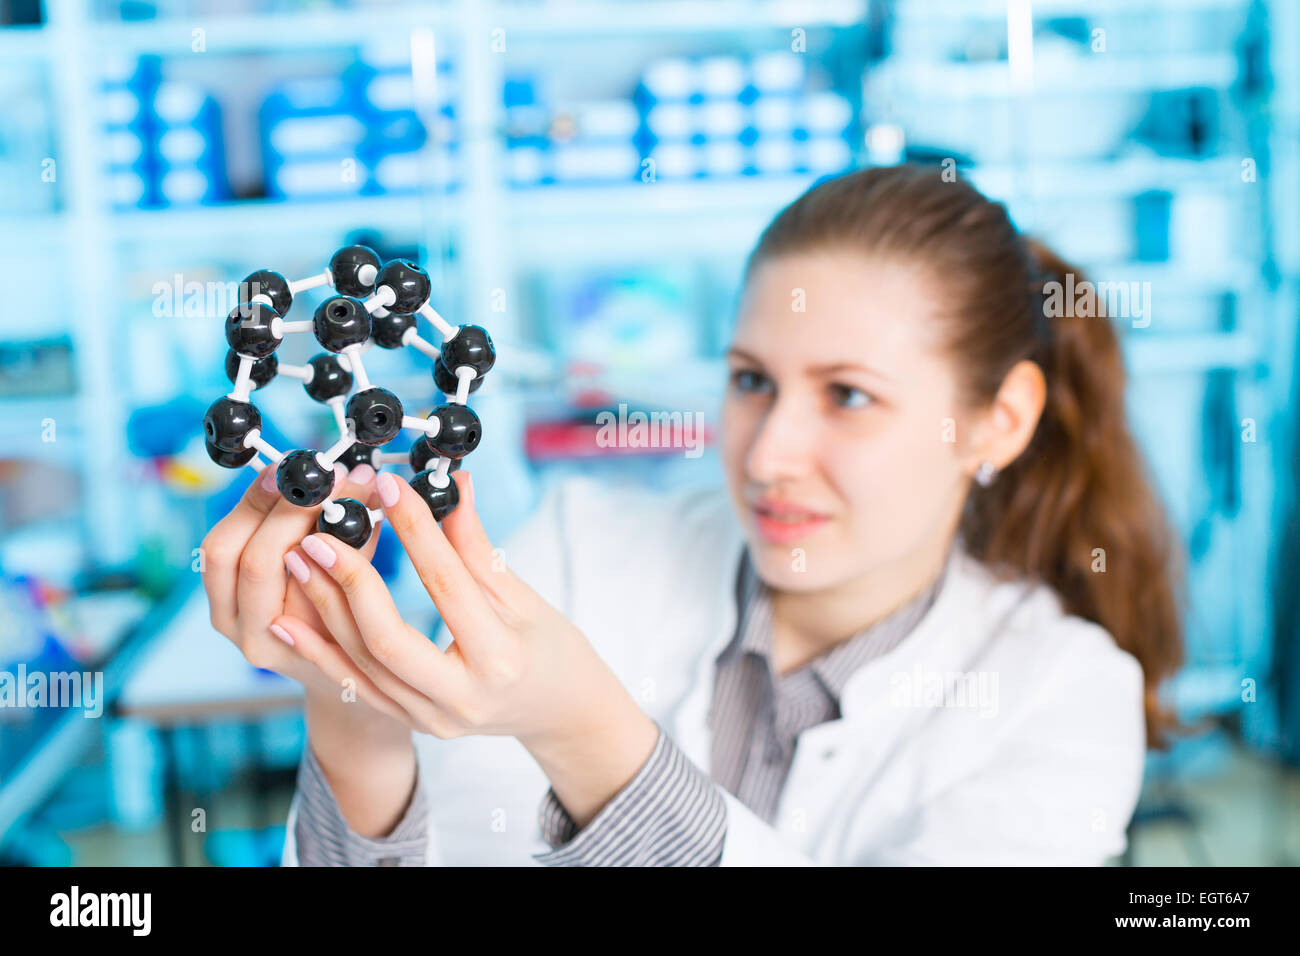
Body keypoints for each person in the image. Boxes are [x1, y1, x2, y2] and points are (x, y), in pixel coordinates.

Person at [201, 163, 1186, 866]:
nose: (766, 454)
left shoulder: (1065, 697)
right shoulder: (580, 549)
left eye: (847, 395)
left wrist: (588, 734)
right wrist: (357, 717)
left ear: (996, 421)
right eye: (751, 380)